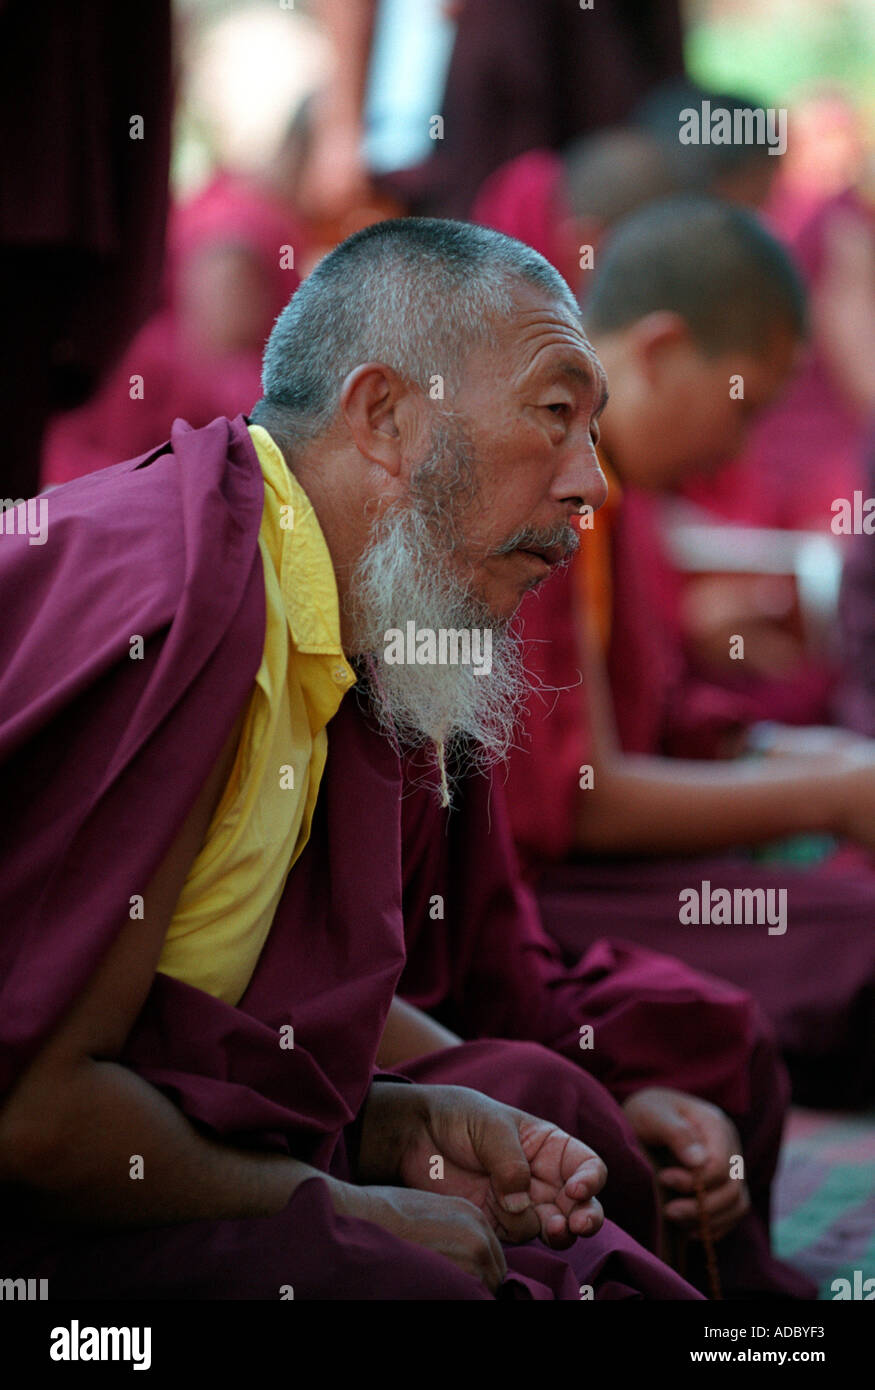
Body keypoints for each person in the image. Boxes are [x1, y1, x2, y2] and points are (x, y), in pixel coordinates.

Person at [2, 218, 746, 1301]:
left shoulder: (339, 621)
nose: (589, 484)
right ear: (383, 416)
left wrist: (407, 1119)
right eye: (553, 416)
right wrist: (338, 1202)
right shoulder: (174, 604)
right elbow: (33, 1117)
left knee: (549, 1148)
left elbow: (235, 1018)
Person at [504, 198, 875, 1108]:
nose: (733, 454)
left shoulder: (614, 496)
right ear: (662, 351)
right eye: (745, 408)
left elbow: (654, 720)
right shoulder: (548, 491)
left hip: (604, 887)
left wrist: (797, 757)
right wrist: (835, 794)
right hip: (536, 913)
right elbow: (577, 805)